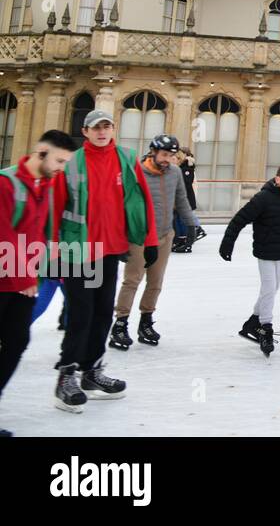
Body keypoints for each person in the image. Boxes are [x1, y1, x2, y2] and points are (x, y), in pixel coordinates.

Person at [54, 110, 159, 413]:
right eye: (95, 128)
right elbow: (57, 205)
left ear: (113, 129)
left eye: (106, 126)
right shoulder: (71, 162)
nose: (101, 132)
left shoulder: (126, 158)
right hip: (77, 251)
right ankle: (66, 377)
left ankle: (91, 372)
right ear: (85, 132)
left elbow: (142, 200)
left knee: (102, 313)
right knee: (81, 314)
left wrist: (149, 241)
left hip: (109, 250)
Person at [0, 130, 75, 434]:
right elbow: (3, 235)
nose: (61, 168)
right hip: (9, 280)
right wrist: (23, 277)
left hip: (23, 280)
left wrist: (45, 269)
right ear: (41, 153)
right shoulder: (7, 183)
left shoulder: (44, 185)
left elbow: (40, 234)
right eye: (59, 160)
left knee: (17, 340)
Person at [110, 134, 198, 351]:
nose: (169, 159)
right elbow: (123, 205)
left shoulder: (175, 172)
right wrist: (121, 236)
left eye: (172, 155)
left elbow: (181, 199)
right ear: (153, 152)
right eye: (165, 154)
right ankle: (120, 324)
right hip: (139, 237)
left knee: (155, 282)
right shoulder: (137, 174)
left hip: (164, 235)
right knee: (132, 280)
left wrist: (191, 224)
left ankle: (146, 322)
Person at [219, 165, 280, 358]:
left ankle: (252, 322)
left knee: (273, 288)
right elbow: (239, 219)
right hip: (265, 251)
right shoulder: (263, 198)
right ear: (278, 180)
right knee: (269, 288)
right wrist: (228, 242)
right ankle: (265, 328)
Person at [170, 147, 202, 253]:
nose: (177, 157)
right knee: (178, 220)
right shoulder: (181, 167)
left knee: (185, 221)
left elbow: (187, 182)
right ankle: (181, 240)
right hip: (180, 199)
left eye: (179, 155)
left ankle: (187, 243)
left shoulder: (187, 167)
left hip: (186, 199)